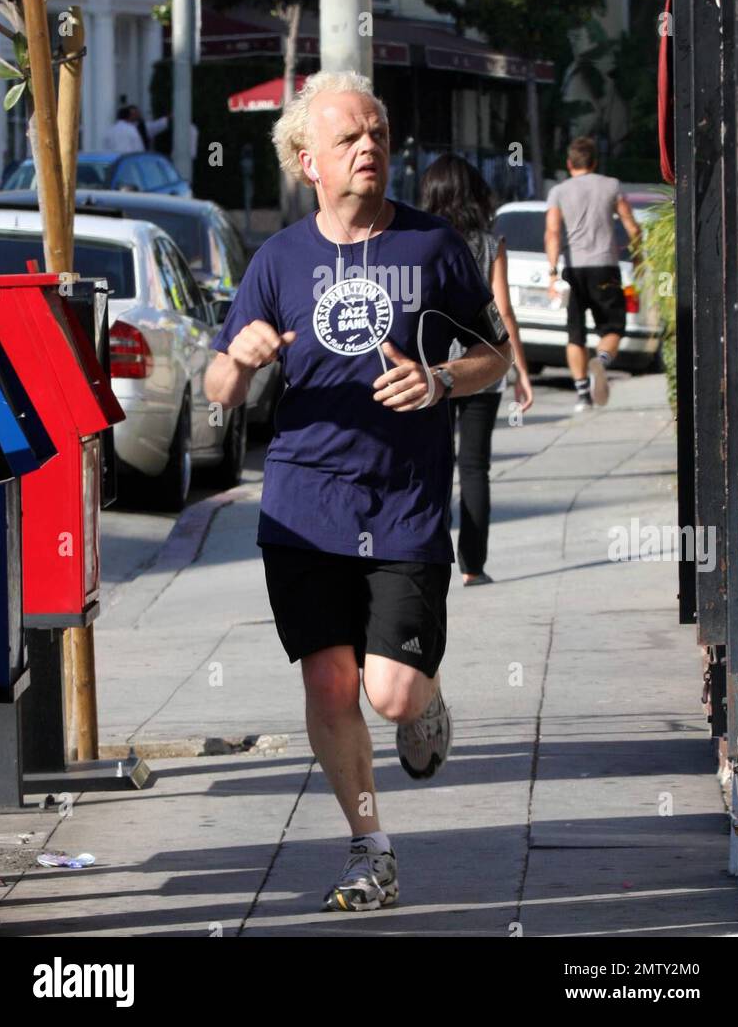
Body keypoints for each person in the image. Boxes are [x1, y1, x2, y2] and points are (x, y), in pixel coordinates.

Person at [204, 72, 512, 913]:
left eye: (375, 133)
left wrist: (442, 381)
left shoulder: (432, 245)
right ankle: (369, 848)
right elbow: (219, 389)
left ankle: (428, 697)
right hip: (303, 503)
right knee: (330, 685)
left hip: (405, 500)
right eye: (349, 138)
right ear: (309, 161)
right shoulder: (278, 260)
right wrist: (242, 357)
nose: (370, 147)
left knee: (391, 692)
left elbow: (495, 354)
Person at [421, 155, 534, 586]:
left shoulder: (422, 240)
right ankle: (472, 566)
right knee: (474, 467)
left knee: (433, 464)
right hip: (484, 366)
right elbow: (502, 311)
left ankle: (429, 557)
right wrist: (519, 370)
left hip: (436, 369)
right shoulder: (492, 243)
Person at [545, 137, 642, 413]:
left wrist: (552, 273)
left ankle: (582, 396)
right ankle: (600, 360)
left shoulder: (559, 191)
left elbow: (552, 232)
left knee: (575, 334)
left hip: (572, 270)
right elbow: (633, 228)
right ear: (595, 162)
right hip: (605, 267)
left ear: (569, 163)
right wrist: (639, 260)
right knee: (613, 327)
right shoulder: (611, 185)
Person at [102, 104, 170, 154]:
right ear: (128, 116)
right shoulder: (132, 130)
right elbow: (139, 149)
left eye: (136, 113)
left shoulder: (110, 130)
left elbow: (156, 125)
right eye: (133, 114)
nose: (136, 115)